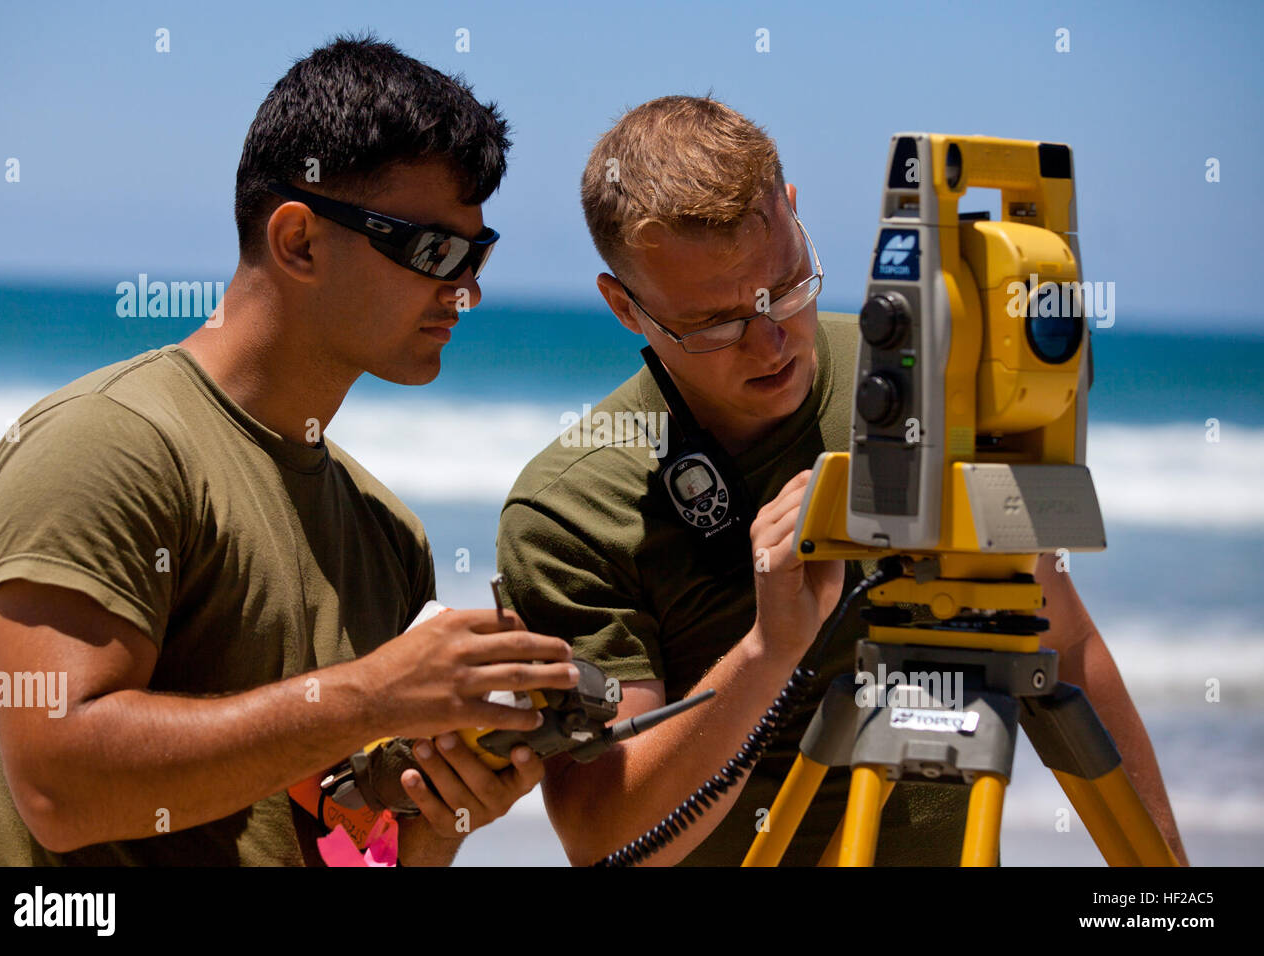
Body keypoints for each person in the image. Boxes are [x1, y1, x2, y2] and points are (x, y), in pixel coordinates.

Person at [496, 95, 1188, 866]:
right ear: (624, 307)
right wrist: (768, 652)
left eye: (788, 285)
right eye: (717, 322)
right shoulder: (574, 508)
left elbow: (1064, 641)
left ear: (792, 211)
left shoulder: (931, 381)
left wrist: (1170, 895)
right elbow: (606, 836)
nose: (771, 343)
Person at [0, 35, 579, 867]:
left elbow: (352, 847)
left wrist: (443, 818)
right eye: (434, 251)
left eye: (478, 255)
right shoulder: (106, 444)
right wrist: (370, 697)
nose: (463, 289)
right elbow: (59, 789)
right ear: (299, 241)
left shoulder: (388, 534)